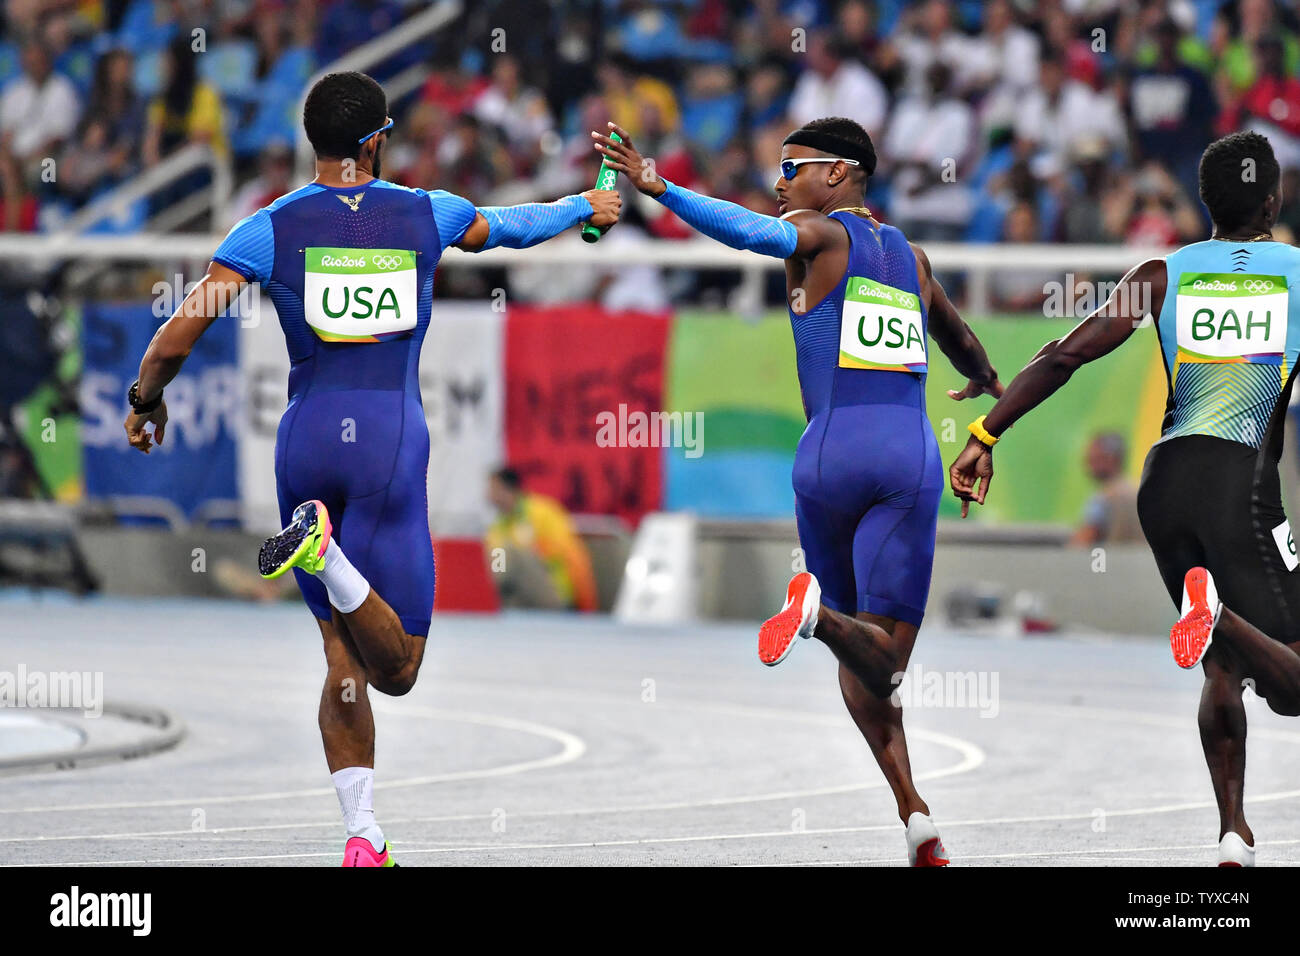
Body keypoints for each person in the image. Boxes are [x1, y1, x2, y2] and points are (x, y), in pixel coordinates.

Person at [123, 71, 620, 866]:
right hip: (387, 439)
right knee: (399, 670)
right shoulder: (427, 213)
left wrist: (145, 399)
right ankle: (327, 555)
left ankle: (363, 836)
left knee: (340, 658)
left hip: (306, 440)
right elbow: (514, 226)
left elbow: (181, 328)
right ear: (376, 141)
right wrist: (582, 207)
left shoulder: (268, 228)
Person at [594, 115, 1001, 866]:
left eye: (794, 168)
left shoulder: (817, 235)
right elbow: (955, 333)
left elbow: (748, 235)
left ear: (839, 174)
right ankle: (817, 617)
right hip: (901, 454)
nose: (781, 184)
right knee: (887, 659)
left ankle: (914, 814)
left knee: (864, 662)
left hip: (823, 458)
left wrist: (660, 188)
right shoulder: (910, 259)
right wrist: (982, 379)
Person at [950, 131, 1300, 867]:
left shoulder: (1160, 273)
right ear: (1275, 199)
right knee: (1294, 684)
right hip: (1242, 484)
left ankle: (1234, 832)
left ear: (1203, 203)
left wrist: (986, 429)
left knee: (1220, 667)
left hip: (1164, 484)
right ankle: (1222, 613)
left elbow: (1066, 353)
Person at [485, 467, 598, 612]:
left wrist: (531, 552)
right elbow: (498, 569)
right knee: (497, 558)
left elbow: (570, 553)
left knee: (511, 553)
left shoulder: (543, 512)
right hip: (520, 596)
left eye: (493, 488)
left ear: (508, 489)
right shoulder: (497, 527)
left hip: (555, 591)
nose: (487, 495)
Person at [1070, 432, 1143, 548]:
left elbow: (1082, 542)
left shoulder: (1102, 498)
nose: (1089, 465)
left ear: (1111, 459)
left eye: (1095, 458)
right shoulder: (1139, 489)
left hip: (1111, 564)